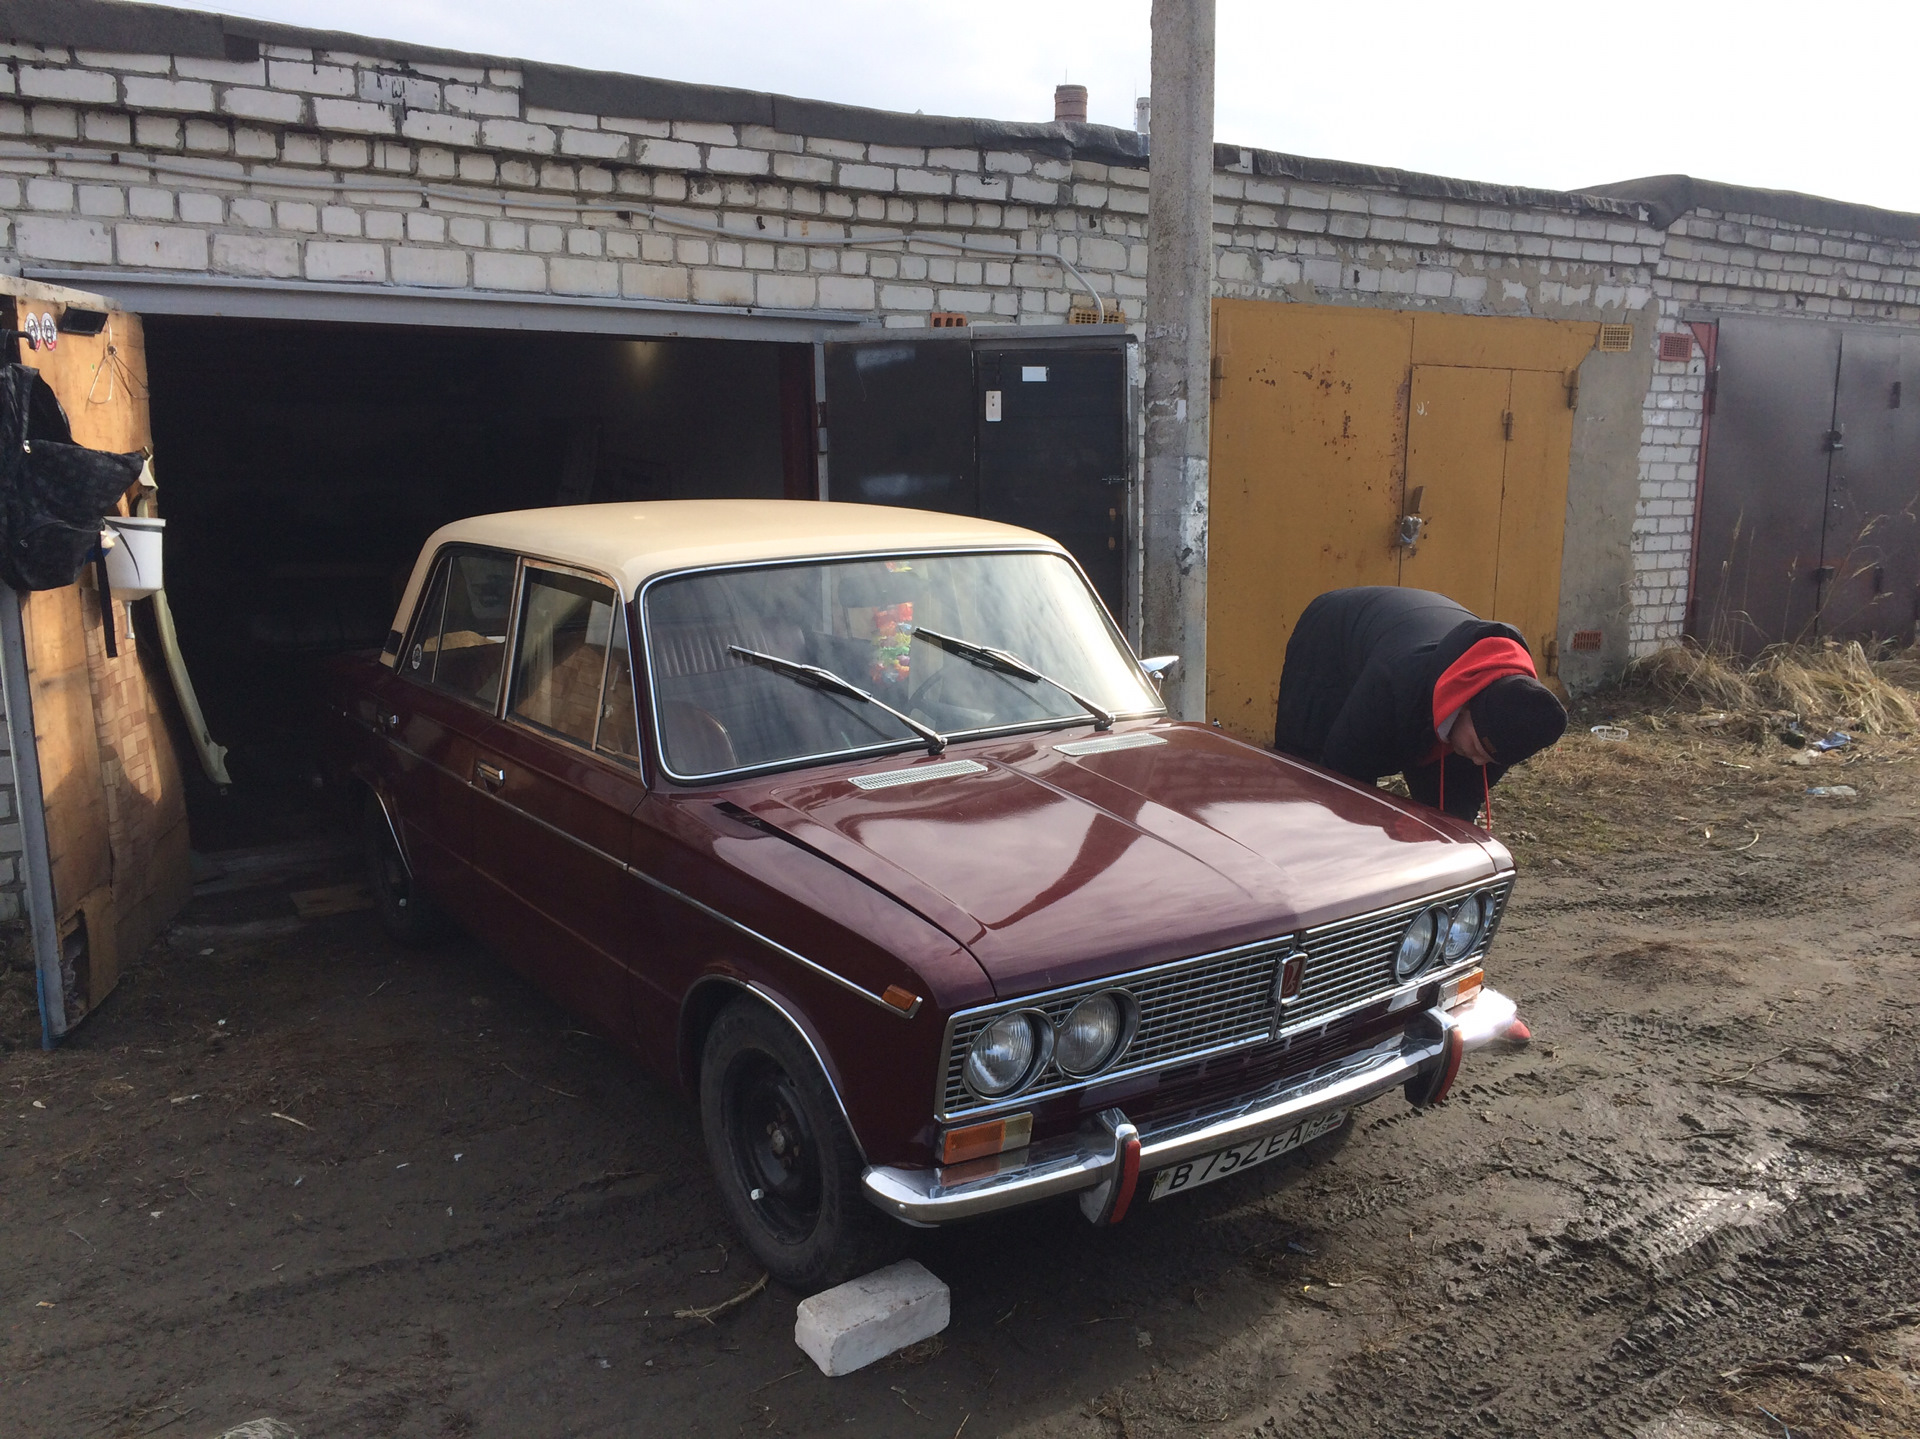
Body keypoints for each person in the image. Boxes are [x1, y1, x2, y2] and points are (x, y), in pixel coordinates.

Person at [1272, 587, 1567, 824]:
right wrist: (1380, 832)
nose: (1478, 762)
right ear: (1464, 704)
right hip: (1332, 638)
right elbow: (1344, 773)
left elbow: (1458, 803)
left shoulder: (1512, 716)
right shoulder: (1394, 683)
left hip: (1411, 639)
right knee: (1312, 782)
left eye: (1490, 759)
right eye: (1478, 748)